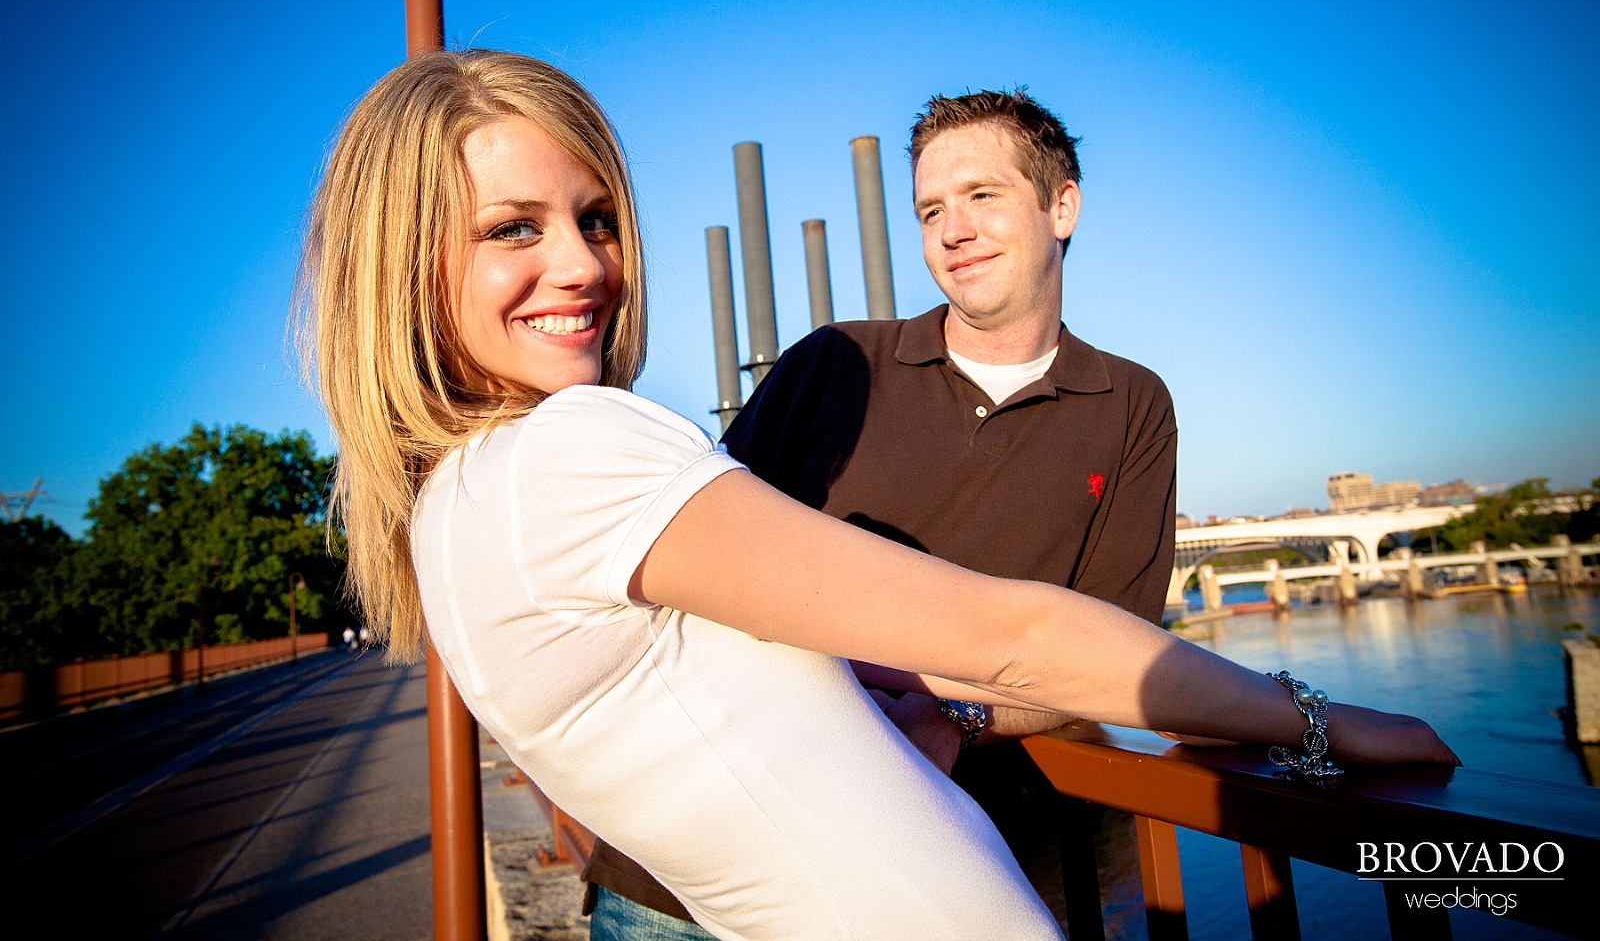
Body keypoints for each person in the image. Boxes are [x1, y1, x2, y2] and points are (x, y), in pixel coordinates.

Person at [296, 49, 1456, 941]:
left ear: (1062, 207)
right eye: (514, 228)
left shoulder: (456, 496)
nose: (588, 265)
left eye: (596, 219)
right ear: (403, 264)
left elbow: (711, 637)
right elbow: (1008, 634)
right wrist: (1322, 721)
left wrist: (935, 705)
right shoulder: (600, 440)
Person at [583, 89, 1179, 935]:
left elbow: (1115, 650)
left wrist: (955, 717)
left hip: (919, 884)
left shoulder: (1130, 404)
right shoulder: (834, 364)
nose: (953, 230)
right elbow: (681, 571)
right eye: (931, 208)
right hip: (686, 882)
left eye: (983, 196)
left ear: (1063, 206)